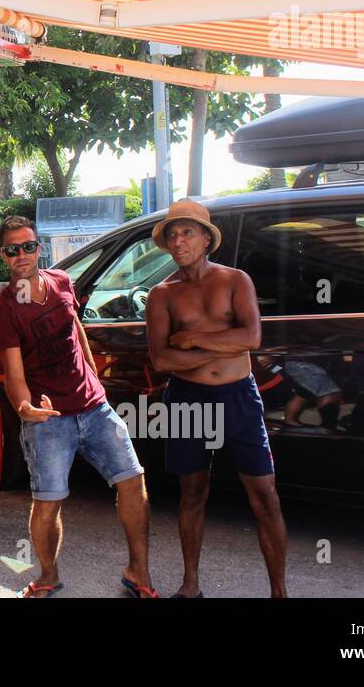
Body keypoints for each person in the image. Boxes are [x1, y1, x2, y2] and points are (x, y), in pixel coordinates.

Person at [0, 215, 157, 599]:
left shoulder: (62, 281)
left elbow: (75, 325)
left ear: (38, 248)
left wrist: (94, 374)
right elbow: (14, 372)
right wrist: (24, 408)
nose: (22, 255)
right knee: (48, 502)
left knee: (132, 480)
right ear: (3, 255)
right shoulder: (6, 310)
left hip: (94, 407)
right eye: (12, 250)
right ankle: (47, 576)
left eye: (28, 246)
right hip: (48, 420)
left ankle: (139, 571)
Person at [144, 199, 287, 598]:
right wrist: (224, 349)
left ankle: (279, 592)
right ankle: (190, 585)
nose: (178, 240)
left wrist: (194, 339)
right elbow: (161, 359)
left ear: (207, 239)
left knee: (265, 496)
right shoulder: (161, 294)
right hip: (187, 400)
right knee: (192, 492)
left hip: (237, 396)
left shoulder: (235, 280)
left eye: (187, 232)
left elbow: (252, 338)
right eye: (172, 234)